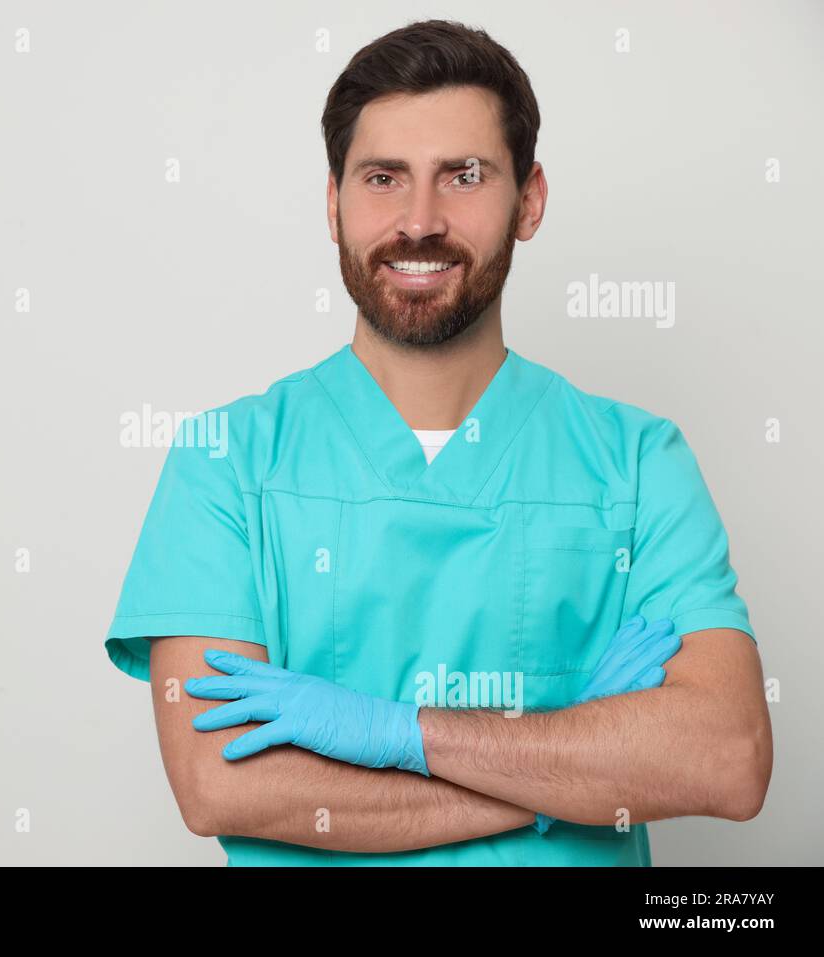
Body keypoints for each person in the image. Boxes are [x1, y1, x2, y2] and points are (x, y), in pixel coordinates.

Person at [103, 19, 771, 866]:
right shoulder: (225, 462)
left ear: (528, 200)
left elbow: (727, 759)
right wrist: (563, 770)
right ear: (333, 202)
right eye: (383, 178)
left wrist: (394, 734)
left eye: (463, 175)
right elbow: (222, 785)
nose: (419, 221)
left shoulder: (639, 462)